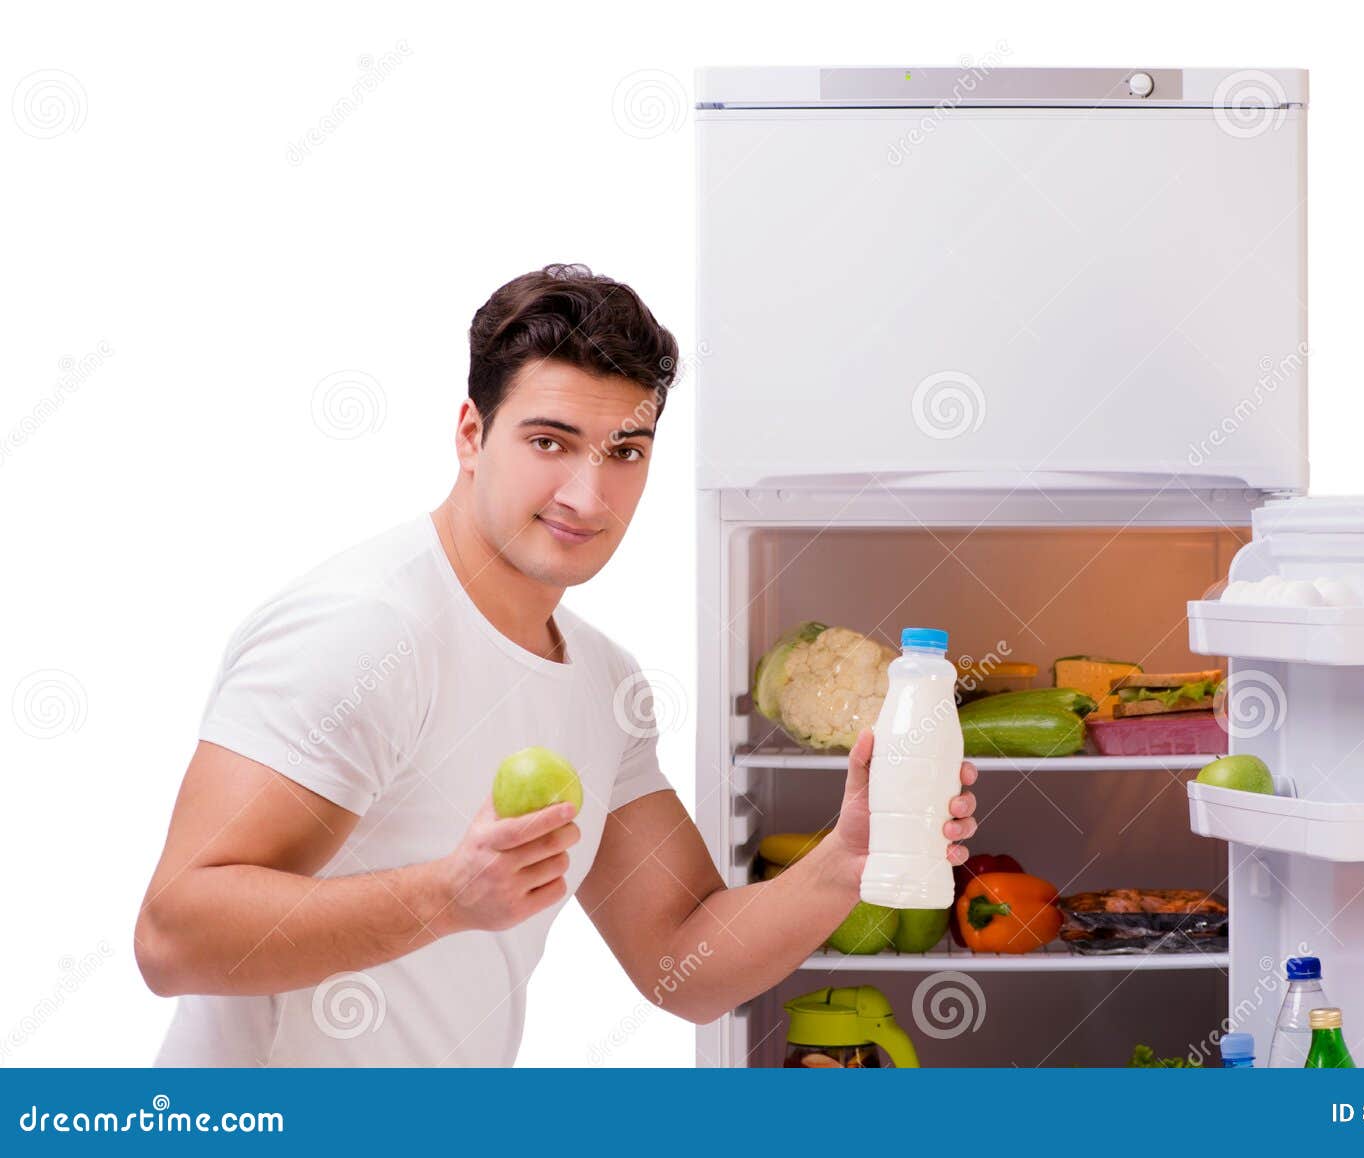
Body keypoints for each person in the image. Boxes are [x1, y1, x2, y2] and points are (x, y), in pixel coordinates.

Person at [134, 263, 980, 1065]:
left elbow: (680, 958)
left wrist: (845, 863)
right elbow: (172, 938)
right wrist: (446, 898)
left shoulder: (603, 682)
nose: (589, 495)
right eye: (550, 442)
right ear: (472, 434)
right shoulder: (363, 630)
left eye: (624, 452)